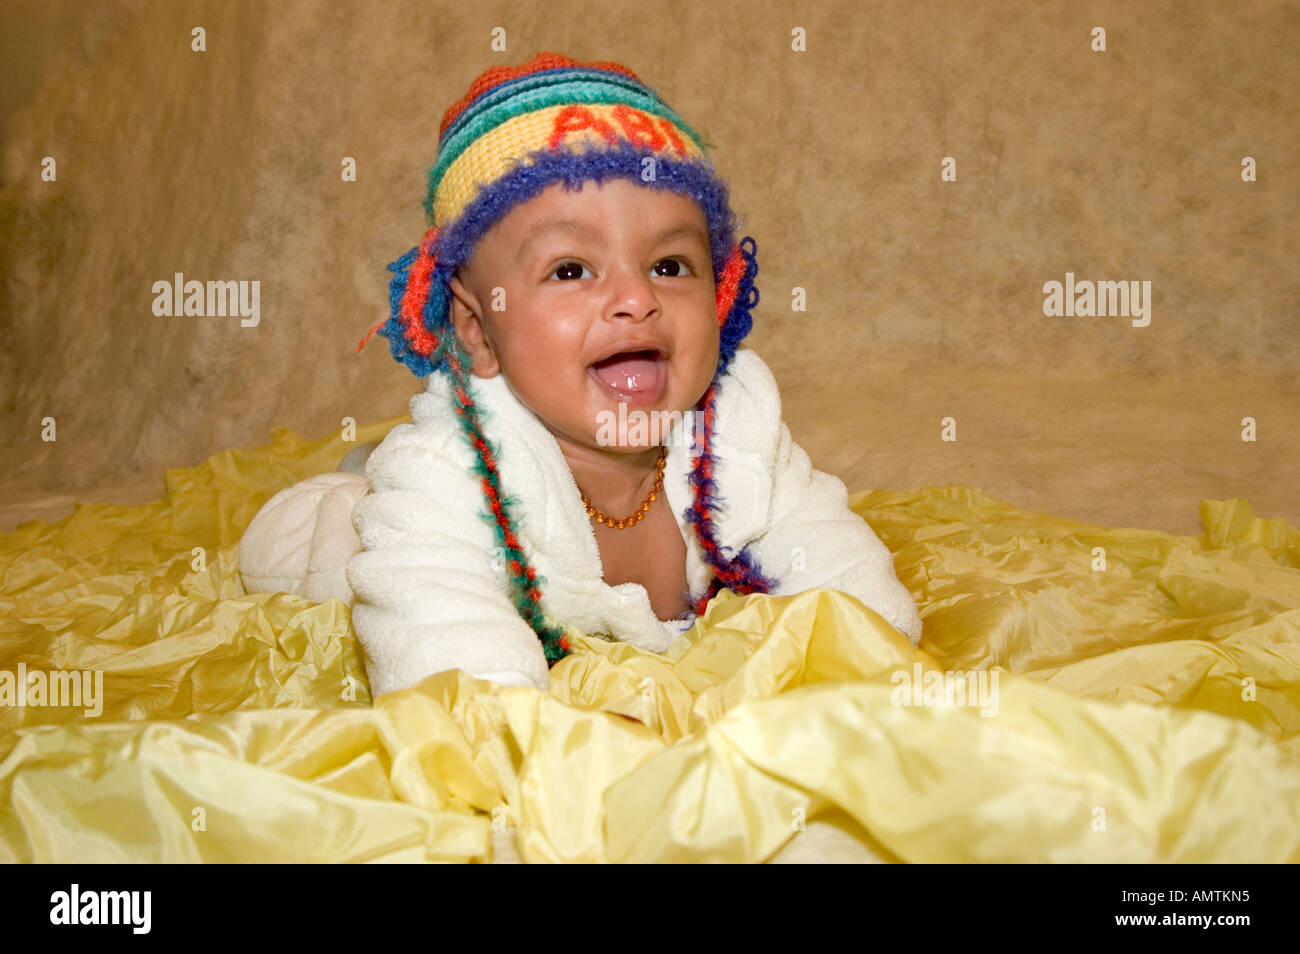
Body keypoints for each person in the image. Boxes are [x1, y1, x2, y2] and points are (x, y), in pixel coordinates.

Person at [238, 52, 922, 694]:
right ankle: (347, 484)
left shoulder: (738, 429)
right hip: (356, 534)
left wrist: (870, 670)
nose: (636, 298)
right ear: (478, 329)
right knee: (318, 541)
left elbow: (844, 575)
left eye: (670, 266)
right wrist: (525, 741)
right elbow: (448, 654)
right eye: (570, 270)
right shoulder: (453, 472)